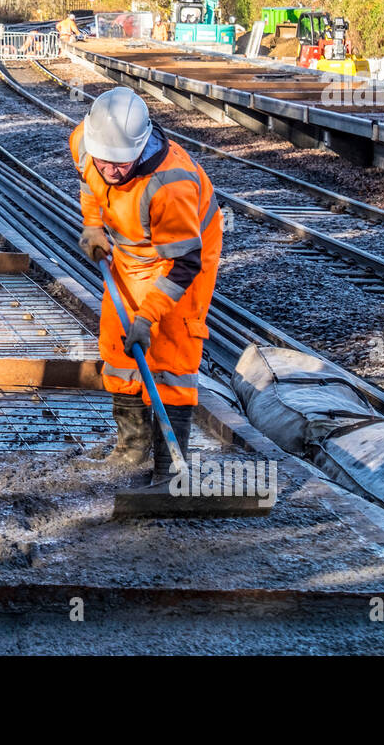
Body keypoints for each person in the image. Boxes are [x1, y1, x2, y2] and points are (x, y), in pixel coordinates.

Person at [70, 86, 222, 484]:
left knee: (172, 354)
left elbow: (184, 264)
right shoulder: (88, 143)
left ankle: (170, 467)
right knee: (118, 345)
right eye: (106, 161)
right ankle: (132, 448)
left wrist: (150, 315)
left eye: (121, 163)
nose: (112, 171)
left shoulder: (170, 185)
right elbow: (90, 183)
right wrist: (93, 225)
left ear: (140, 147)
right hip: (130, 252)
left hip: (182, 259)